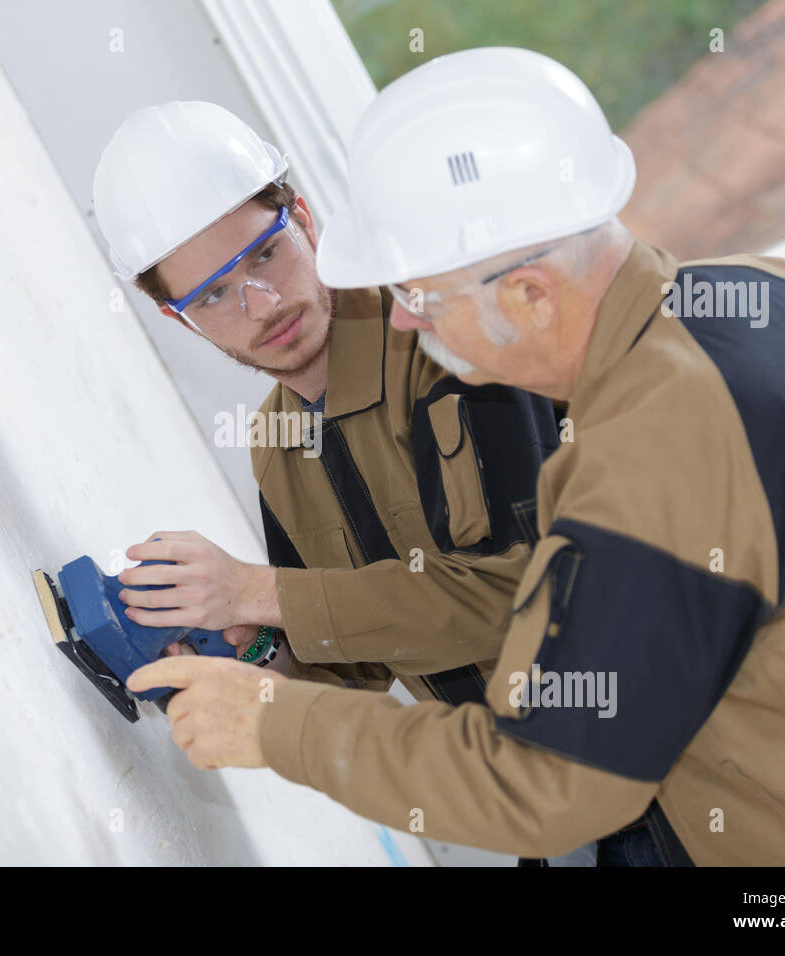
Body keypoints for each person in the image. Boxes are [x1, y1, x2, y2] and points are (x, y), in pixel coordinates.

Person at [127, 48, 785, 865]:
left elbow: (544, 780)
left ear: (529, 294)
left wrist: (272, 722)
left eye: (418, 298)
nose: (400, 323)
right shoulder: (780, 289)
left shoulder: (644, 456)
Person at [93, 101, 587, 864]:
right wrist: (251, 648)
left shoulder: (444, 341)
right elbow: (350, 671)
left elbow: (530, 600)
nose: (261, 306)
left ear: (305, 219)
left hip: (666, 757)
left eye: (263, 255)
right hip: (533, 808)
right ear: (176, 318)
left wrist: (257, 591)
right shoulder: (276, 448)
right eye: (214, 296)